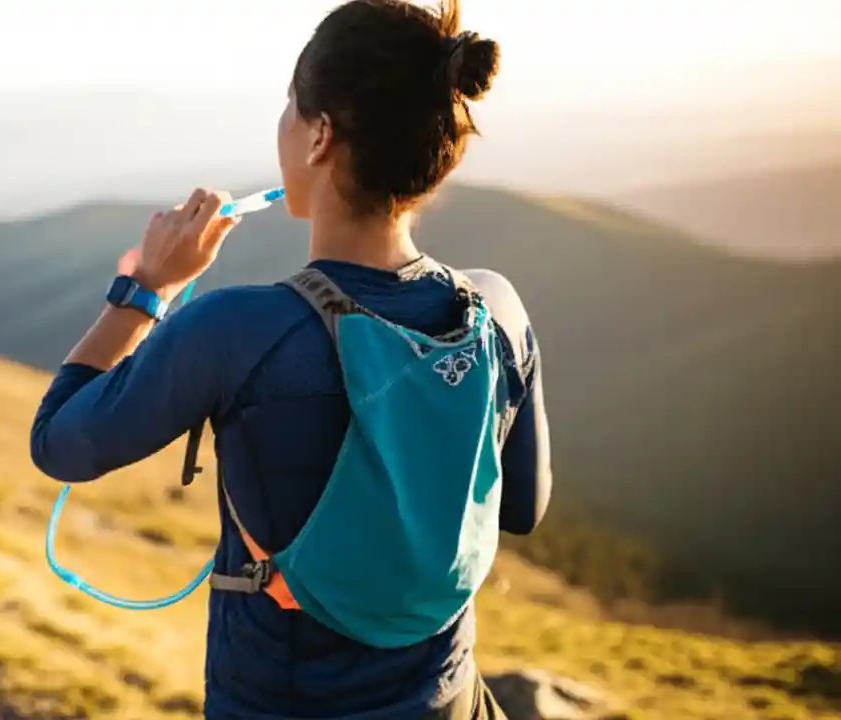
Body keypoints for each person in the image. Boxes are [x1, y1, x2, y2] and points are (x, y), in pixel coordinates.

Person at [31, 1, 552, 717]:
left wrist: (146, 290)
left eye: (289, 108)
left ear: (320, 138)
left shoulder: (239, 329)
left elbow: (59, 444)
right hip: (449, 699)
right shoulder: (496, 308)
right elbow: (522, 507)